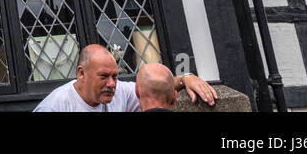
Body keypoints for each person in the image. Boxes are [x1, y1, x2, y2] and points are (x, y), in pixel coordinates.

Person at [32, 45, 216, 112]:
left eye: (115, 76)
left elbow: (154, 86)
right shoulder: (55, 107)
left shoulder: (120, 92)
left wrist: (186, 79)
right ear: (81, 73)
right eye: (103, 76)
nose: (112, 84)